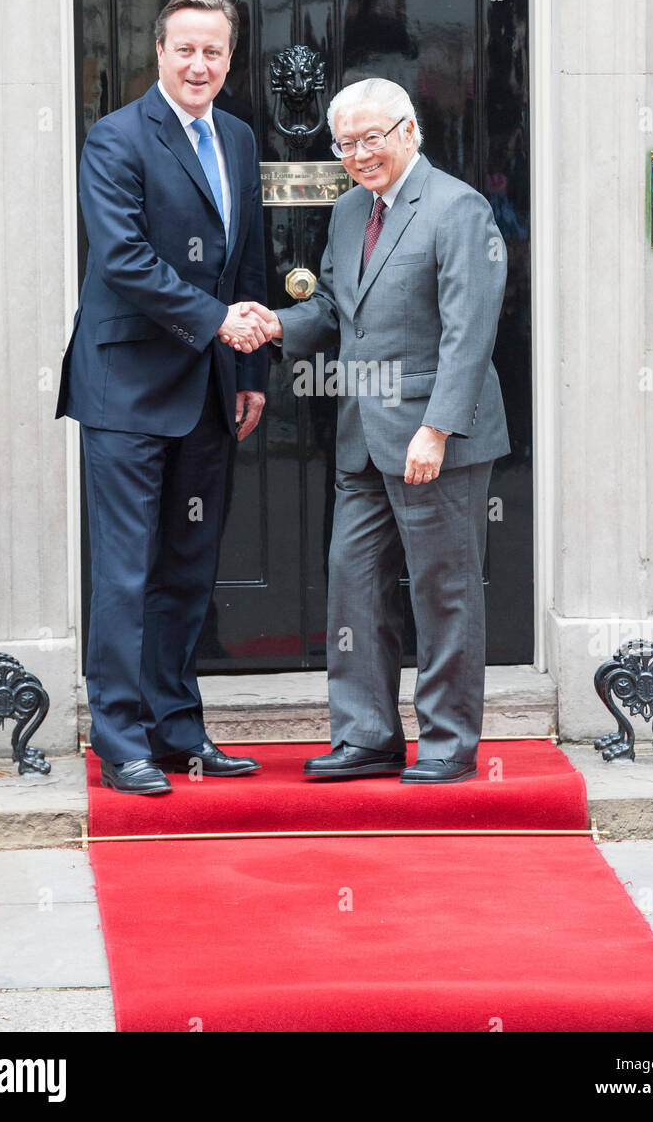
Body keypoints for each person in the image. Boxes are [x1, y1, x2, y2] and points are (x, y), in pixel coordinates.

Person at [231, 77, 510, 784]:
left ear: (409, 131)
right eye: (344, 142)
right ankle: (367, 737)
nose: (357, 153)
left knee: (444, 592)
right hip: (361, 432)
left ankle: (447, 743)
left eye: (370, 138)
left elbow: (468, 334)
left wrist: (437, 428)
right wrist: (276, 325)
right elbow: (330, 308)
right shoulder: (352, 210)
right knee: (353, 585)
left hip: (432, 437)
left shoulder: (457, 208)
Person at [56, 0, 270, 794]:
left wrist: (248, 373)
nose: (199, 65)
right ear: (159, 52)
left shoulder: (240, 139)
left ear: (228, 58)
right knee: (124, 571)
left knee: (188, 567)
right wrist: (219, 324)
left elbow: (246, 255)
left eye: (213, 51)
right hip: (126, 389)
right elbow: (123, 260)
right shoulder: (114, 139)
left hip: (211, 387)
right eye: (185, 49)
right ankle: (121, 742)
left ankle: (178, 730)